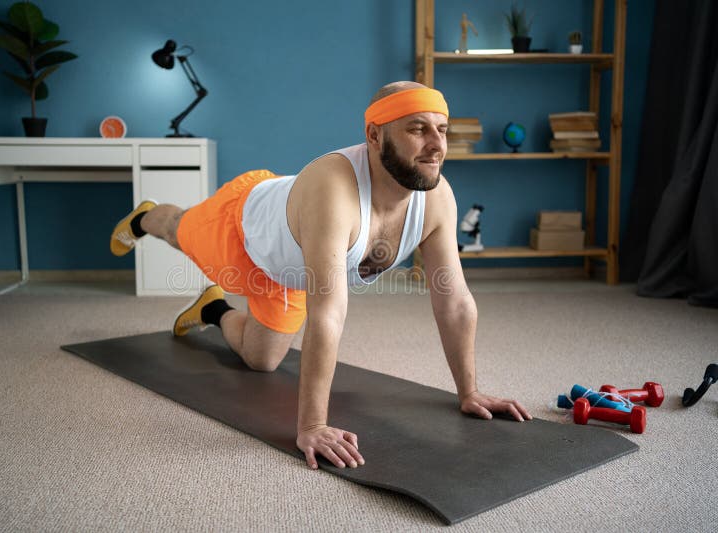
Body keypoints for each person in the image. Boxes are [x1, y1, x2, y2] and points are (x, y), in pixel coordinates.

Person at [110, 81, 532, 470]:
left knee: (262, 361)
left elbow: (454, 299)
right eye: (418, 129)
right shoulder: (335, 189)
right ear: (374, 135)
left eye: (442, 129)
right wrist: (312, 425)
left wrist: (469, 392)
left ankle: (212, 307)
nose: (436, 145)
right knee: (178, 231)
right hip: (238, 230)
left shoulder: (437, 199)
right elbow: (328, 313)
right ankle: (146, 216)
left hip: (295, 269)